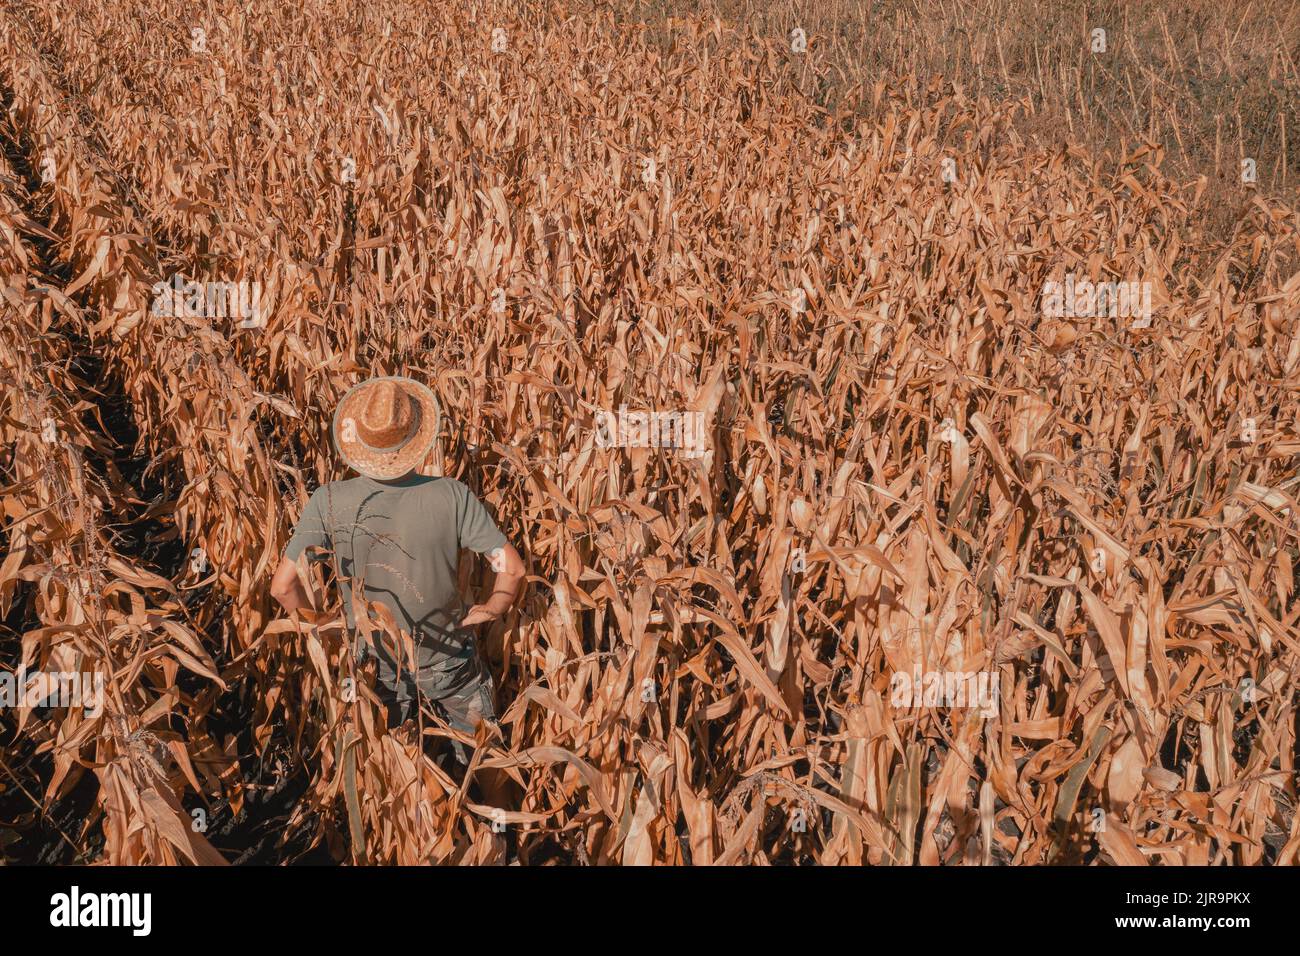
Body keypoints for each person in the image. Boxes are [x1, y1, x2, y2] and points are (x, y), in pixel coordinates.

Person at [269, 375, 525, 761]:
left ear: (361, 442)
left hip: (372, 666)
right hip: (448, 661)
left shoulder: (329, 501)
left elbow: (282, 586)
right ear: (417, 437)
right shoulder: (451, 495)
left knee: (388, 770)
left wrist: (330, 631)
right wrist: (494, 608)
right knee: (483, 758)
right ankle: (494, 819)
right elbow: (513, 569)